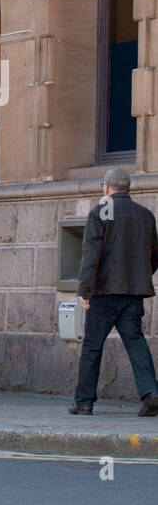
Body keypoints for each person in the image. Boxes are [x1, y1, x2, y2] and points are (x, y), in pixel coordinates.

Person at [70, 167, 158, 416]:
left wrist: (84, 290)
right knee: (135, 341)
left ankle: (84, 402)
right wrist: (139, 278)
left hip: (103, 293)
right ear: (127, 188)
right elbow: (155, 254)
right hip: (133, 293)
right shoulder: (145, 215)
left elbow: (91, 255)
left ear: (107, 188)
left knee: (92, 346)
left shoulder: (99, 212)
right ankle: (151, 393)